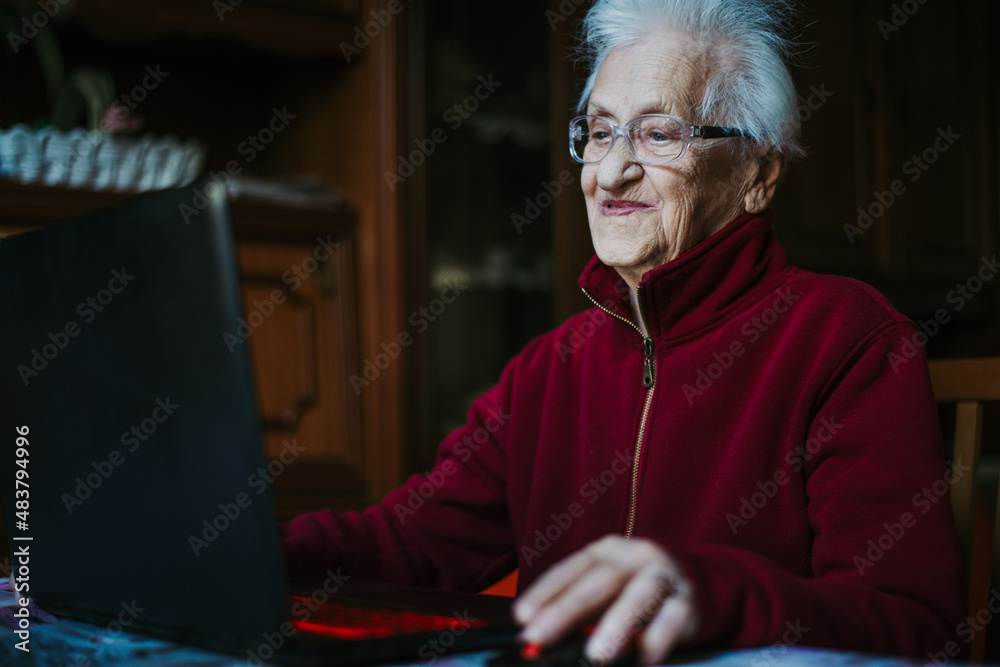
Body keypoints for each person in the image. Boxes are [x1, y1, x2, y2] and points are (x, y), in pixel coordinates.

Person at [282, 0, 965, 663]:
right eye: (601, 132)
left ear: (759, 173)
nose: (609, 171)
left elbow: (917, 627)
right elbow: (406, 544)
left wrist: (715, 596)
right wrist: (242, 553)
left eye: (659, 133)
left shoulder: (848, 340)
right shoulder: (547, 368)